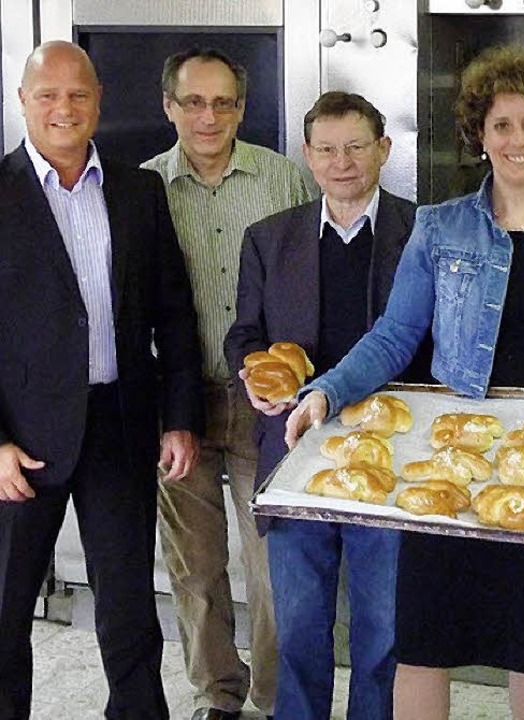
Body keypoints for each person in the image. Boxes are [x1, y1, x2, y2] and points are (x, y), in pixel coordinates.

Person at [283, 46, 524, 720]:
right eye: (501, 125)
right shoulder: (441, 229)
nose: (518, 139)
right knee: (426, 636)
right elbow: (394, 335)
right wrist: (327, 389)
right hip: (455, 458)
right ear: (480, 136)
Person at [0, 41, 203, 719]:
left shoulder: (138, 188)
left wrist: (179, 416)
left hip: (120, 423)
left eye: (78, 94)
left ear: (99, 102)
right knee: (4, 614)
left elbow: (173, 310)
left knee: (128, 609)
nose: (64, 108)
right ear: (23, 101)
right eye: (48, 94)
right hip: (21, 441)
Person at [225, 91, 432, 720]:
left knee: (381, 632)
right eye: (327, 149)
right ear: (308, 158)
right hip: (295, 457)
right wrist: (254, 379)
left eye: (356, 147)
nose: (342, 162)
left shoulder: (424, 231)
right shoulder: (269, 239)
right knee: (300, 631)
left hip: (394, 460)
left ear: (384, 150)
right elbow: (245, 335)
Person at [141, 46, 313, 720]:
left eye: (222, 102)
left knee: (276, 571)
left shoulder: (284, 182)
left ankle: (274, 699)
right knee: (194, 568)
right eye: (192, 101)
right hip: (175, 404)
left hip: (265, 401)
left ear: (241, 108)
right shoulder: (142, 187)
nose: (207, 116)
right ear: (169, 107)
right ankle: (218, 694)